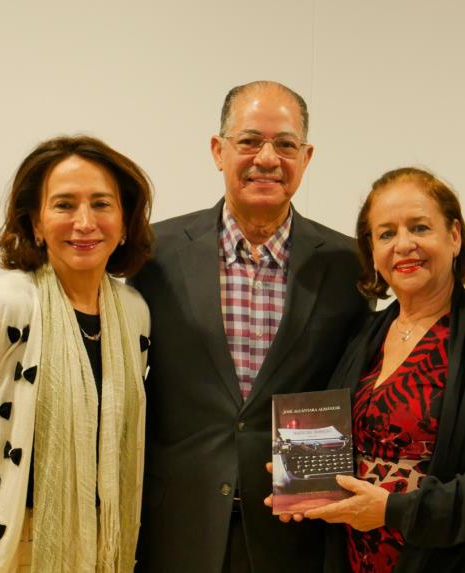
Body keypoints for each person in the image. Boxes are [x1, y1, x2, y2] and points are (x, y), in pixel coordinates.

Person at [130, 81, 369, 572]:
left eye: (285, 144)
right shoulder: (153, 253)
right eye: (249, 141)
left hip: (298, 530)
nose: (267, 158)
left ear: (306, 157)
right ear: (219, 150)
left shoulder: (351, 265)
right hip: (177, 526)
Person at [302, 167, 465, 572]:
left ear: (454, 237)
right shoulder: (367, 334)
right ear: (372, 251)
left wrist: (396, 511)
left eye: (419, 227)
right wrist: (305, 475)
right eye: (386, 233)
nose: (403, 245)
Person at [0, 135, 154, 572]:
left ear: (125, 222)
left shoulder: (134, 314)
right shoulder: (0, 306)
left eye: (102, 204)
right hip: (10, 547)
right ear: (35, 222)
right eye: (64, 205)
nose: (84, 222)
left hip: (102, 542)